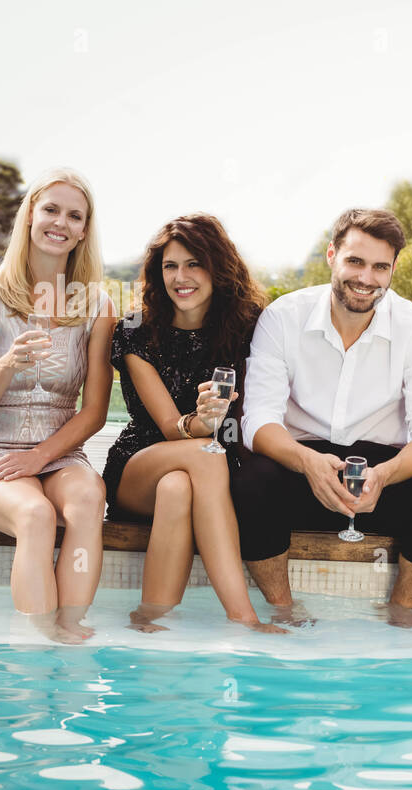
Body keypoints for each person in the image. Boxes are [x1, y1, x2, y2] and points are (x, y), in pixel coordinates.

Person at [233, 208, 412, 626]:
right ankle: (284, 611)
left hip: (382, 477)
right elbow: (258, 422)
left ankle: (400, 614)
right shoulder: (283, 317)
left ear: (393, 268)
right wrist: (306, 462)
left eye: (380, 267)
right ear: (331, 255)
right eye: (355, 262)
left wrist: (385, 475)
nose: (366, 278)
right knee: (251, 482)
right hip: (301, 468)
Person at [0, 167, 118, 642]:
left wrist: (41, 456)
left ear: (84, 230)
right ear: (30, 214)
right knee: (36, 515)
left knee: (89, 498)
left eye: (74, 215)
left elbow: (95, 413)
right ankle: (37, 645)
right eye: (50, 209)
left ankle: (71, 633)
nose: (60, 223)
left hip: (61, 454)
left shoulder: (97, 306)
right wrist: (8, 363)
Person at [104, 215, 284, 634]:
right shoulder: (135, 331)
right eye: (170, 266)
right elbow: (169, 427)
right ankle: (243, 618)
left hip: (206, 471)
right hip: (141, 463)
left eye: (194, 264)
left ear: (217, 267)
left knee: (179, 485)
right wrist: (204, 422)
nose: (181, 277)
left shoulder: (249, 326)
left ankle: (149, 620)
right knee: (204, 456)